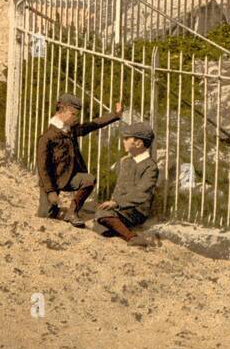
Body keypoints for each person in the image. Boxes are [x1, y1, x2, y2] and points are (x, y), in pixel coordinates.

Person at [35, 93, 123, 226]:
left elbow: (94, 124)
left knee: (89, 179)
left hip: (69, 177)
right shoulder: (47, 137)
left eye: (77, 114)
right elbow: (43, 168)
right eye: (73, 114)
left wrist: (115, 115)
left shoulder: (71, 129)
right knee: (46, 214)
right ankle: (56, 210)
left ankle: (72, 211)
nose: (76, 118)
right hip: (52, 181)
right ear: (62, 110)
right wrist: (50, 191)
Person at [92, 120, 160, 247]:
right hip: (120, 209)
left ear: (139, 143)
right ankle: (121, 230)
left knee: (103, 215)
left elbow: (142, 194)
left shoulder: (150, 167)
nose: (123, 141)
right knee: (98, 224)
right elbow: (119, 187)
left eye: (127, 138)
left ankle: (132, 237)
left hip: (136, 210)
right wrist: (112, 202)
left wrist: (116, 203)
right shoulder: (126, 162)